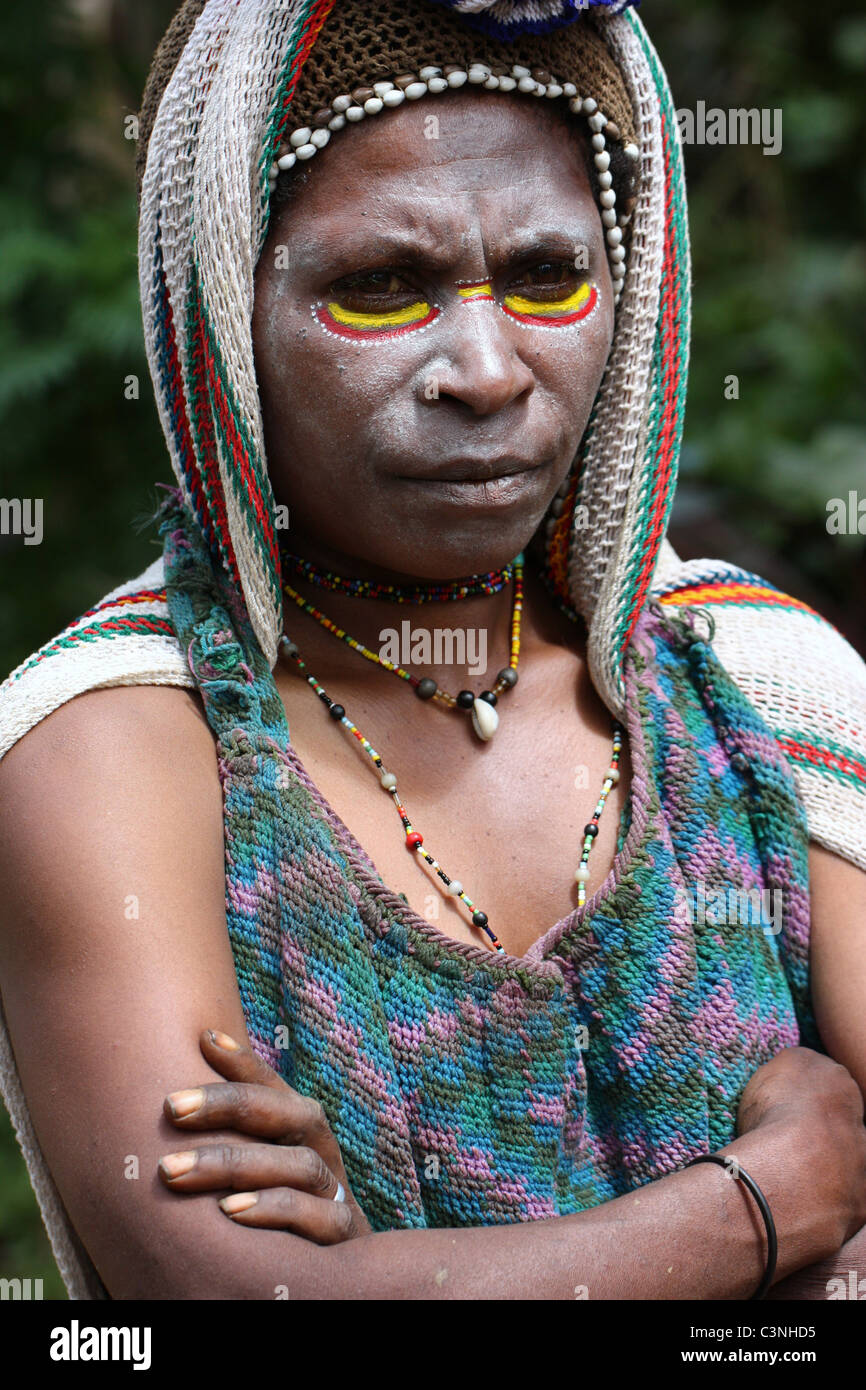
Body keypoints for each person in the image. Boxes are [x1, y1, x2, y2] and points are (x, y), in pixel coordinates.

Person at [0, 0, 865, 1302]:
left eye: (544, 279)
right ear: (223, 313)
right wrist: (763, 1205)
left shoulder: (759, 686)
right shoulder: (108, 746)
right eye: (379, 285)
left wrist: (414, 1268)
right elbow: (232, 1291)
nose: (483, 367)